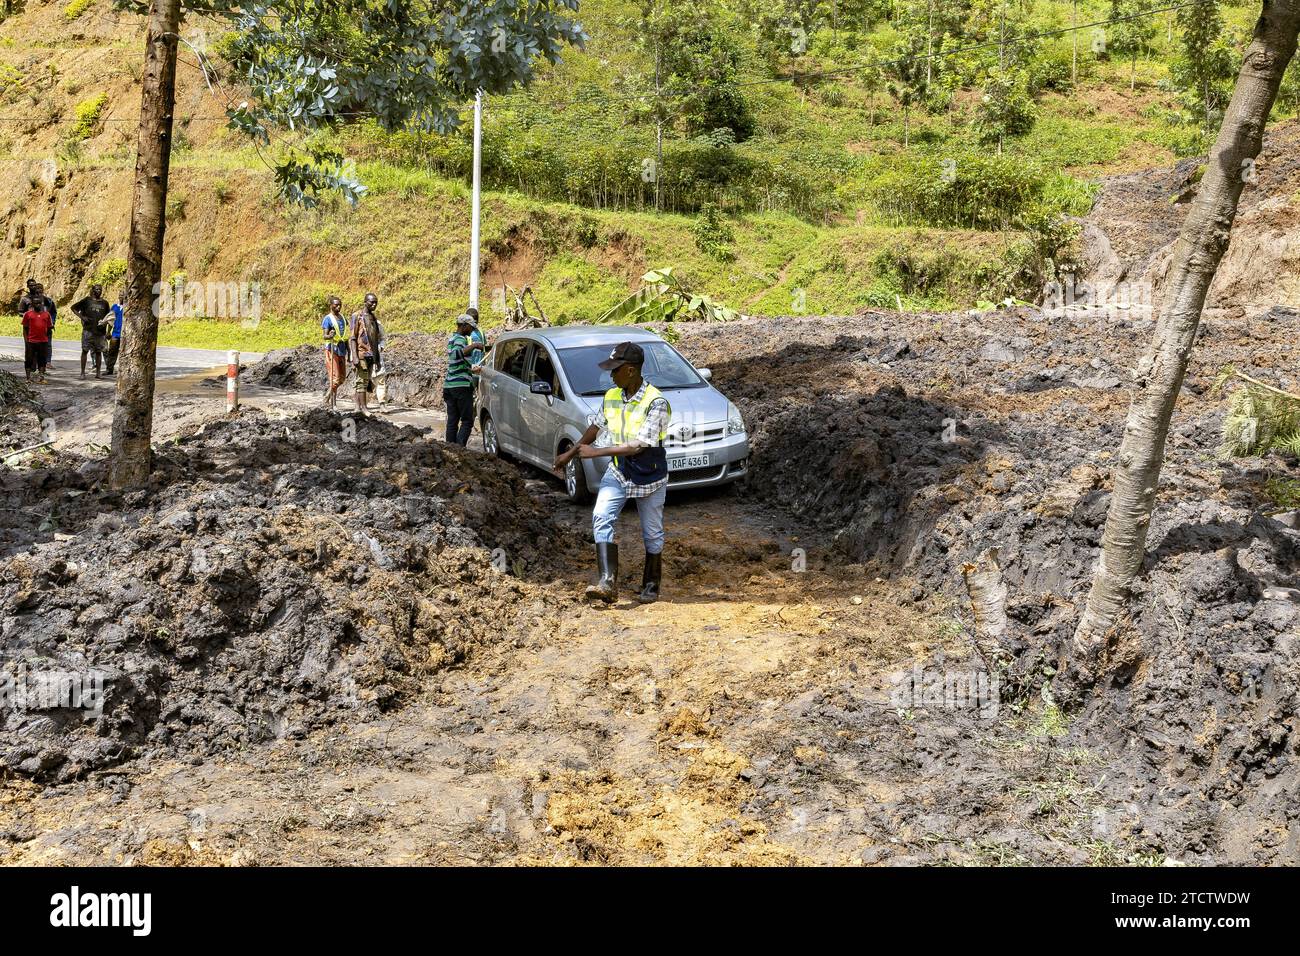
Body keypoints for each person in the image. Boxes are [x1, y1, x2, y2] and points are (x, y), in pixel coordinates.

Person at [552, 341, 671, 604]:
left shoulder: (657, 402)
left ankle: (651, 584)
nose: (610, 375)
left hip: (649, 474)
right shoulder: (612, 396)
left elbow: (638, 446)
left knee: (652, 532)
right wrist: (569, 455)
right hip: (619, 471)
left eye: (614, 370)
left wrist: (595, 453)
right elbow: (597, 426)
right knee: (601, 516)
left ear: (630, 370)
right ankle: (607, 582)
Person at [444, 313, 477, 446]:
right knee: (467, 420)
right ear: (463, 326)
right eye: (470, 327)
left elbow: (457, 362)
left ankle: (450, 448)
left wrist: (471, 368)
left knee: (452, 420)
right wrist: (475, 345)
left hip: (450, 386)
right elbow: (456, 355)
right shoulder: (460, 339)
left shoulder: (452, 339)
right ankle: (459, 448)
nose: (472, 330)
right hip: (461, 387)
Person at [349, 292, 381, 414]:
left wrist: (377, 359)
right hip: (361, 353)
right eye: (371, 302)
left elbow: (375, 340)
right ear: (365, 302)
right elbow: (352, 337)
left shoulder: (373, 318)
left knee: (365, 381)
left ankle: (358, 407)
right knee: (361, 381)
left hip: (371, 355)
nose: (374, 304)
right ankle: (364, 408)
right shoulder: (357, 316)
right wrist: (355, 356)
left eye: (376, 302)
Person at [72, 284, 111, 379]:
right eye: (97, 289)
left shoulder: (105, 303)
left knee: (98, 352)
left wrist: (106, 326)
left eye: (100, 289)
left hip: (100, 331)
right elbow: (73, 308)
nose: (99, 291)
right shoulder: (87, 300)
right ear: (93, 290)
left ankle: (98, 373)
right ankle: (82, 373)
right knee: (85, 350)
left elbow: (109, 317)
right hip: (88, 330)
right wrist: (82, 317)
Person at [19, 281, 57, 369]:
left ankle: (46, 363)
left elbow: (53, 312)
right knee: (30, 346)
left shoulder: (48, 300)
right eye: (37, 288)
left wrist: (52, 322)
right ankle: (31, 364)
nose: (39, 290)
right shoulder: (27, 299)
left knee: (47, 345)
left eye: (40, 288)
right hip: (32, 327)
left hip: (45, 327)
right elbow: (20, 312)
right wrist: (30, 316)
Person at [321, 296, 349, 409]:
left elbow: (345, 336)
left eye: (340, 305)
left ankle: (327, 396)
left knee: (342, 378)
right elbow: (324, 336)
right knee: (335, 378)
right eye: (336, 305)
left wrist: (350, 353)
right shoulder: (328, 319)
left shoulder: (343, 318)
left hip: (342, 349)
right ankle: (333, 403)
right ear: (331, 305)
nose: (338, 307)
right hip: (332, 350)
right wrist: (330, 335)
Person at [21, 298, 53, 384]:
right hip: (31, 341)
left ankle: (41, 377)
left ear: (42, 304)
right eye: (36, 303)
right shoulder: (28, 314)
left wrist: (47, 339)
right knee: (29, 359)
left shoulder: (47, 315)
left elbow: (49, 328)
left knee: (42, 360)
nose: (38, 305)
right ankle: (28, 378)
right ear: (32, 304)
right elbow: (25, 329)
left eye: (39, 303)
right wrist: (26, 341)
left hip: (43, 341)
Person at [105, 292, 124, 374]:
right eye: (120, 295)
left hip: (124, 334)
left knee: (123, 353)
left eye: (123, 295)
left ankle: (122, 370)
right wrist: (108, 331)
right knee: (112, 351)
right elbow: (110, 320)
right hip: (115, 334)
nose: (121, 296)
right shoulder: (114, 307)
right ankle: (109, 369)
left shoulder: (128, 307)